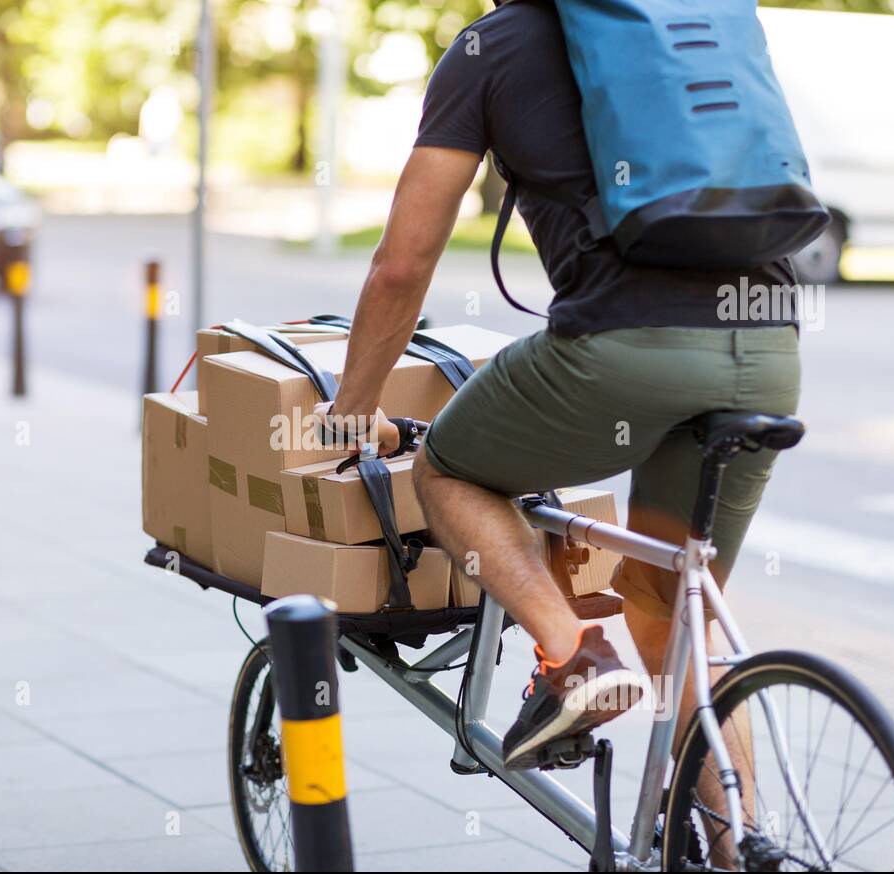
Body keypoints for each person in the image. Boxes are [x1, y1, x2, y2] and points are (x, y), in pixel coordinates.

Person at [321, 0, 801, 770]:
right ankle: (744, 845)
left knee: (449, 471)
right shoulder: (696, 24)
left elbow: (403, 265)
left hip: (627, 345)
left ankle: (572, 652)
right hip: (772, 344)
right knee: (669, 618)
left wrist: (352, 410)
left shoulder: (489, 46)